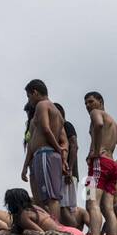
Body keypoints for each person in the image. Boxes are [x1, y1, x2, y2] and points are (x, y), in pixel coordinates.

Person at [83, 91, 117, 235]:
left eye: (90, 102)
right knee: (108, 209)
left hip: (99, 164)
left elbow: (98, 124)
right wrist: (113, 164)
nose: (88, 106)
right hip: (110, 165)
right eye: (86, 103)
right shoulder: (114, 124)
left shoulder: (96, 113)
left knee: (91, 202)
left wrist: (97, 152)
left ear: (100, 101)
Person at [21, 80, 68, 221]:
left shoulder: (43, 105)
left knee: (51, 196)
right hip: (39, 155)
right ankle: (48, 223)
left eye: (29, 96)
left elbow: (47, 130)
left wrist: (59, 151)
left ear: (35, 92)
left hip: (46, 153)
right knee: (40, 197)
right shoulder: (55, 112)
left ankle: (55, 227)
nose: (29, 101)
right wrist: (25, 166)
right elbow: (31, 142)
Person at [55, 103, 82, 227]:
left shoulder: (66, 125)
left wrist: (69, 169)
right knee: (62, 207)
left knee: (63, 207)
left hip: (68, 172)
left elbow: (74, 146)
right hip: (65, 172)